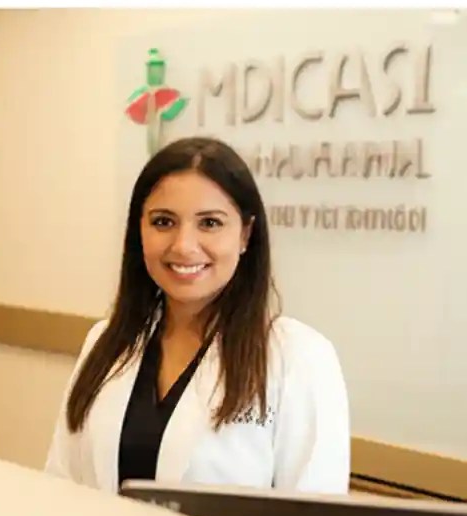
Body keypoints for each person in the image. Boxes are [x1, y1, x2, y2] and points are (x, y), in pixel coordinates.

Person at [44, 136, 350, 495]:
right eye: (163, 222)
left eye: (209, 223)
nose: (184, 245)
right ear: (138, 230)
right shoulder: (107, 341)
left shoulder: (298, 357)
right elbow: (60, 485)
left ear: (245, 234)